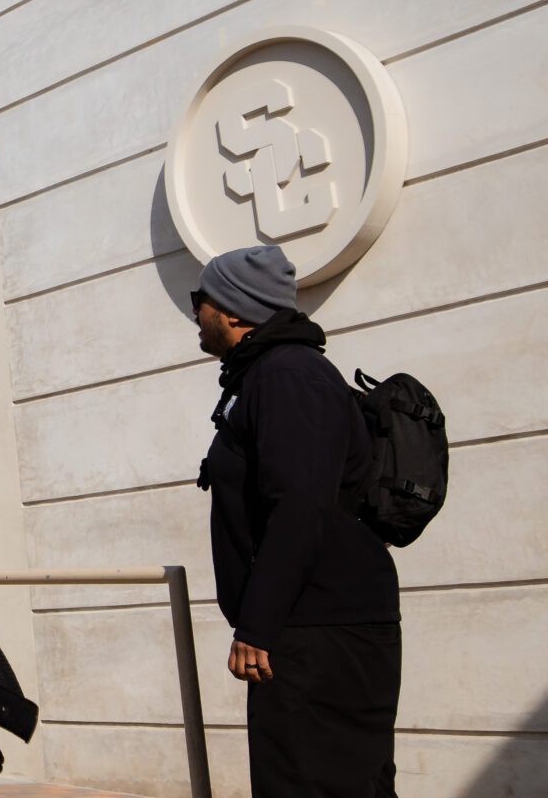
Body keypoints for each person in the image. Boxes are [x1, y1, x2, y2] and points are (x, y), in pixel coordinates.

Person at [191, 245, 400, 797]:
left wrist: (257, 625)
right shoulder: (269, 375)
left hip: (319, 636)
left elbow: (301, 504)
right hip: (308, 630)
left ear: (235, 310)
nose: (196, 312)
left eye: (202, 299)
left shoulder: (290, 376)